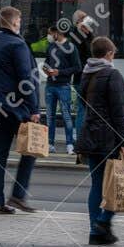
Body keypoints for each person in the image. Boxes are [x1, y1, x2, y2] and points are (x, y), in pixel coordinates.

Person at [74, 36, 124, 246]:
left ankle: (96, 232)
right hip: (110, 138)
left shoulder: (86, 75)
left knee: (97, 185)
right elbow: (119, 113)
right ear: (109, 54)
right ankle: (103, 222)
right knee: (119, 184)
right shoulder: (113, 75)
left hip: (90, 136)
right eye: (114, 53)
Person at [0, 6, 41, 215]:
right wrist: (34, 108)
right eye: (20, 20)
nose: (21, 24)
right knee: (30, 150)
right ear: (14, 23)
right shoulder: (18, 45)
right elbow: (26, 79)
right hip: (16, 108)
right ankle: (17, 195)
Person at [44, 23, 79, 153]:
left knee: (66, 116)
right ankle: (50, 143)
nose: (49, 36)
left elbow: (77, 67)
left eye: (51, 33)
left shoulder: (71, 47)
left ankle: (70, 144)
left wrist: (59, 72)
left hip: (63, 85)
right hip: (50, 85)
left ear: (57, 33)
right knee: (50, 116)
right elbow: (47, 62)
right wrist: (46, 69)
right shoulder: (50, 46)